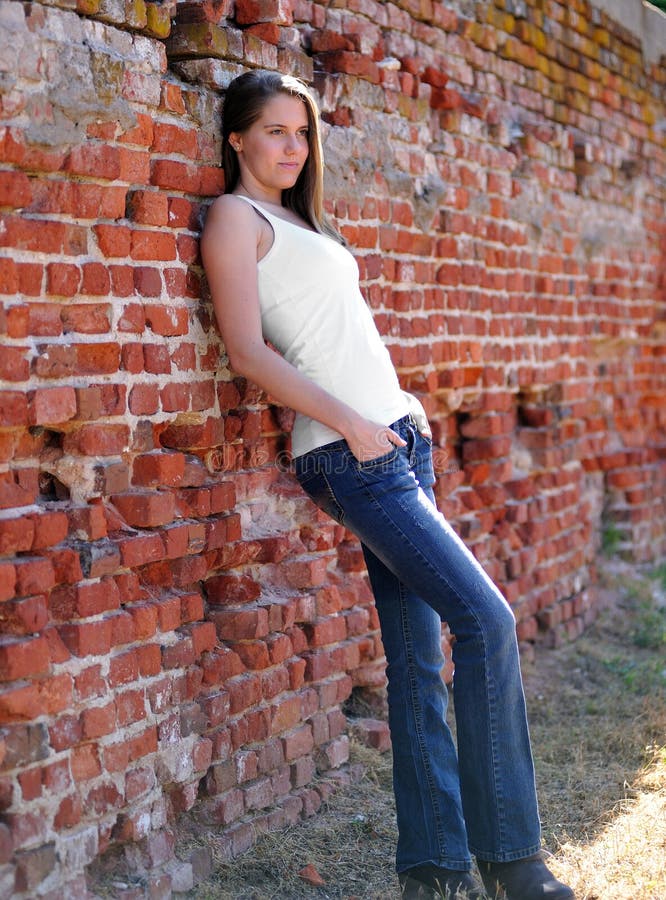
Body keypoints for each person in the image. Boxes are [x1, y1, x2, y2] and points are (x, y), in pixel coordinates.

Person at [200, 69, 575, 900]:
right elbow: (248, 354)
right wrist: (359, 426)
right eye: (274, 131)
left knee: (415, 662)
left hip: (395, 440)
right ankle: (513, 860)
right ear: (237, 138)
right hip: (350, 452)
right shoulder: (236, 218)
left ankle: (433, 870)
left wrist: (400, 418)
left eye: (302, 133)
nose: (292, 148)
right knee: (488, 621)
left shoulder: (306, 224)